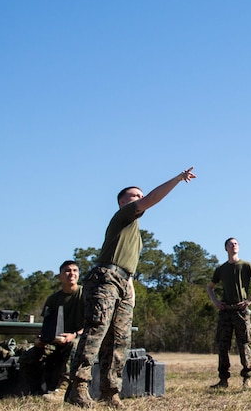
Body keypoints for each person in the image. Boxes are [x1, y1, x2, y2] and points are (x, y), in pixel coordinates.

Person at [65, 167, 196, 408]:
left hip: (124, 282)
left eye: (140, 195)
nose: (139, 198)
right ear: (123, 202)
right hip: (106, 278)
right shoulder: (124, 215)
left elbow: (129, 265)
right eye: (135, 195)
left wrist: (130, 288)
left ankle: (110, 392)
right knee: (96, 332)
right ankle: (77, 388)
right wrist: (178, 179)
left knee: (120, 341)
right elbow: (152, 199)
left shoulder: (134, 231)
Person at [206, 238, 251, 389]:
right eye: (230, 244)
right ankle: (223, 380)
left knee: (244, 345)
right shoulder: (221, 269)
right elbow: (210, 287)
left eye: (236, 243)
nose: (234, 246)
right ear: (225, 248)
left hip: (241, 312)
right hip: (226, 312)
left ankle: (247, 379)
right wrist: (216, 302)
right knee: (223, 346)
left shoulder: (246, 265)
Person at [20, 260, 85, 400]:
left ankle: (61, 391)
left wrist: (73, 335)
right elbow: (48, 324)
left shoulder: (85, 295)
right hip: (56, 340)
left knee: (74, 347)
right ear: (59, 276)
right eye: (67, 271)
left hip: (79, 338)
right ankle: (36, 391)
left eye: (75, 270)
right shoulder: (53, 299)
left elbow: (93, 325)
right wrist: (42, 339)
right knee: (28, 355)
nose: (71, 274)